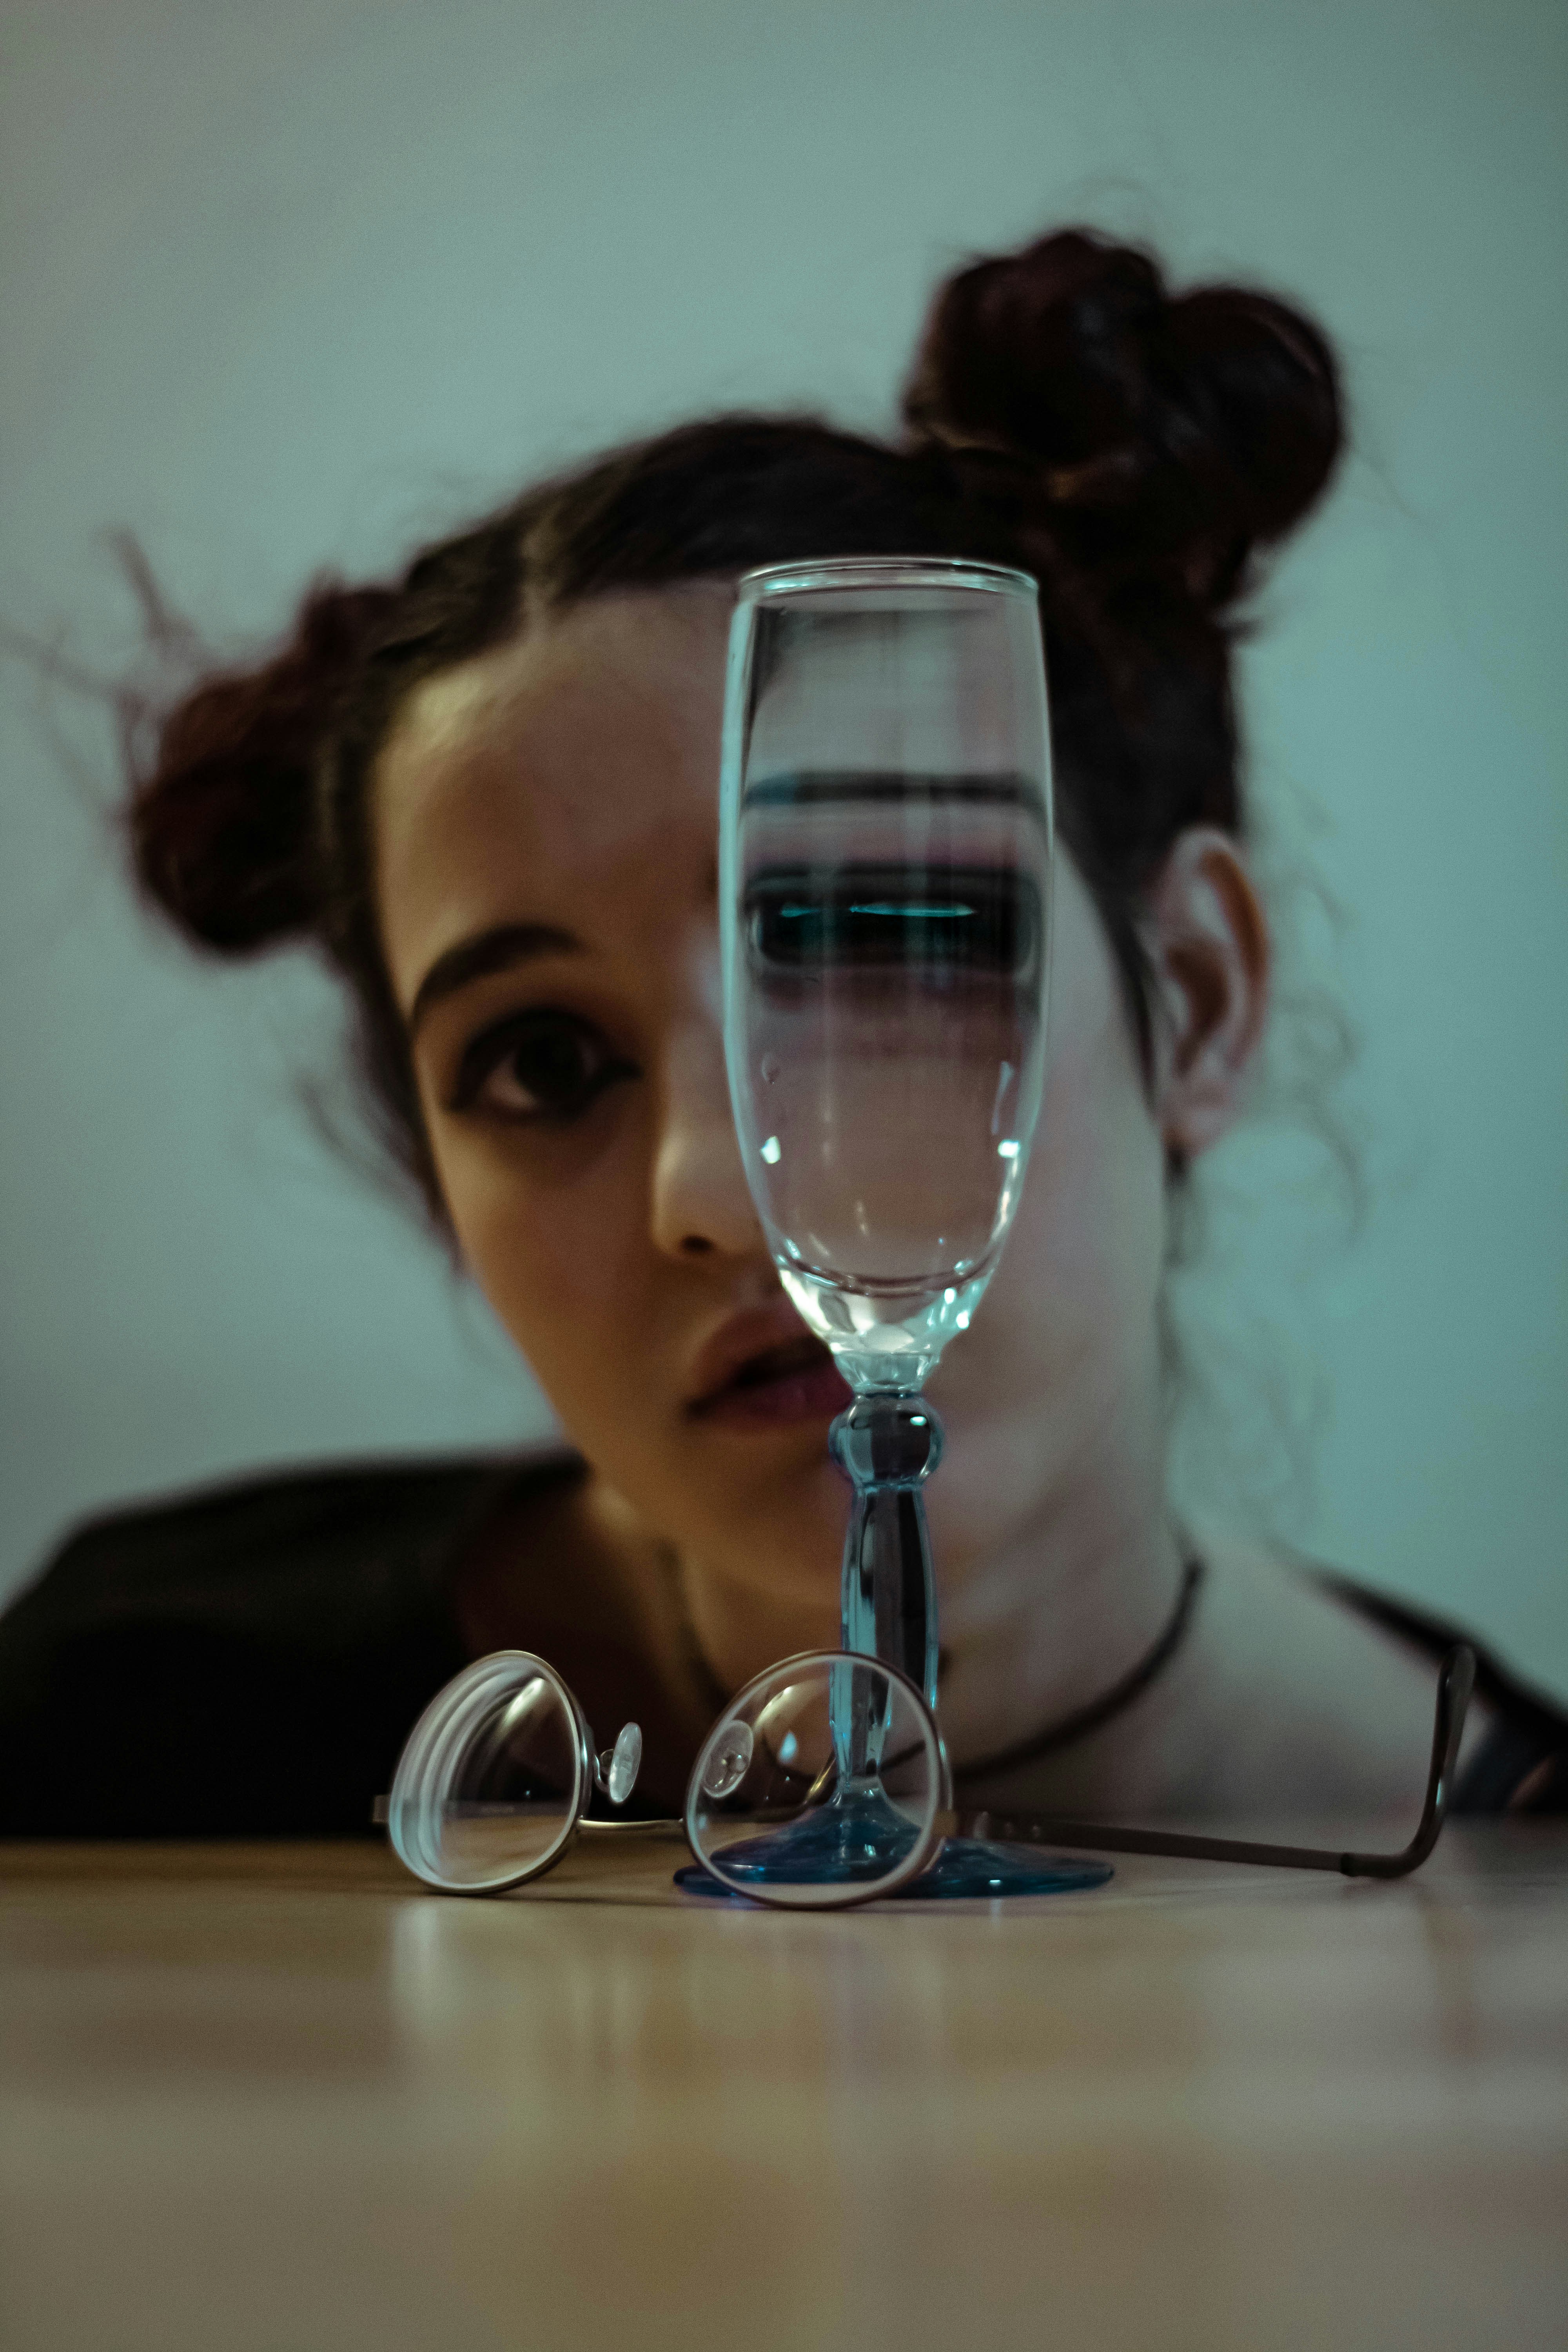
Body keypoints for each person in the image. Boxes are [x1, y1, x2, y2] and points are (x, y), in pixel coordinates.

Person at [1, 227, 1561, 1837]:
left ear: (1200, 996)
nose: (722, 1190)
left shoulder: (1508, 1889)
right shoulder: (130, 1730)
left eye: (875, 945)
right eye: (543, 1061)